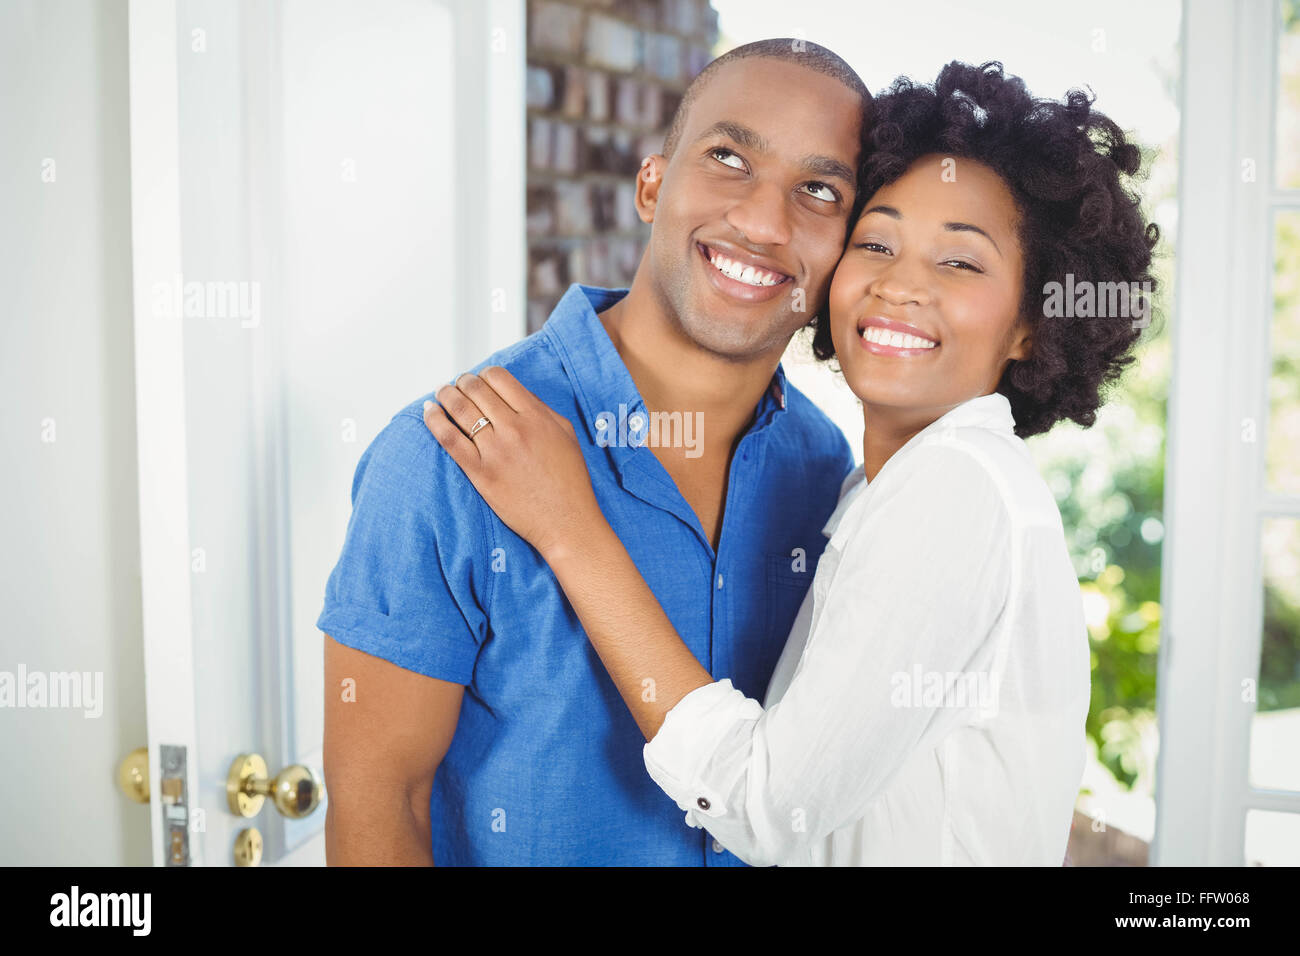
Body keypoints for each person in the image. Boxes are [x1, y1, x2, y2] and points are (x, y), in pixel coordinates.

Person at [421, 61, 1160, 865]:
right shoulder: (855, 480)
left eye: (960, 262)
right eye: (876, 242)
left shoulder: (958, 488)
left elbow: (770, 809)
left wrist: (570, 528)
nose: (900, 285)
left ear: (1029, 327)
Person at [317, 39, 872, 865]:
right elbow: (379, 806)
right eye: (727, 157)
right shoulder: (447, 457)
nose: (762, 222)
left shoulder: (827, 472)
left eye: (818, 190)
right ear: (652, 185)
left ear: (849, 249)